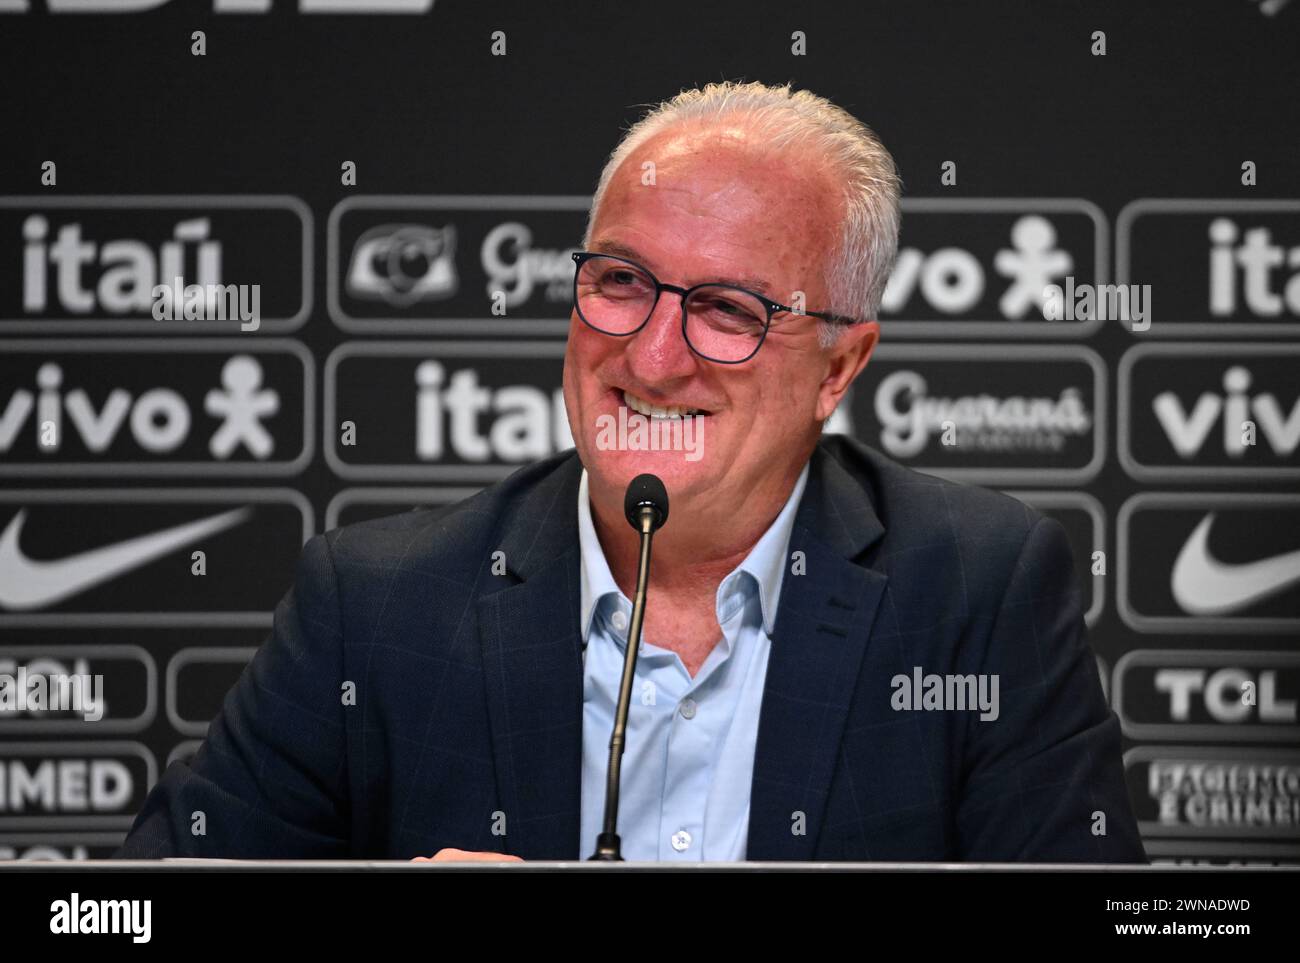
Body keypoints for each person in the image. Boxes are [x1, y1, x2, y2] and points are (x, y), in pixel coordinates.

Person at [115, 80, 1145, 862]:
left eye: (729, 310)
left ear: (840, 365)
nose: (651, 358)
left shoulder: (976, 590)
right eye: (620, 283)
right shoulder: (376, 603)